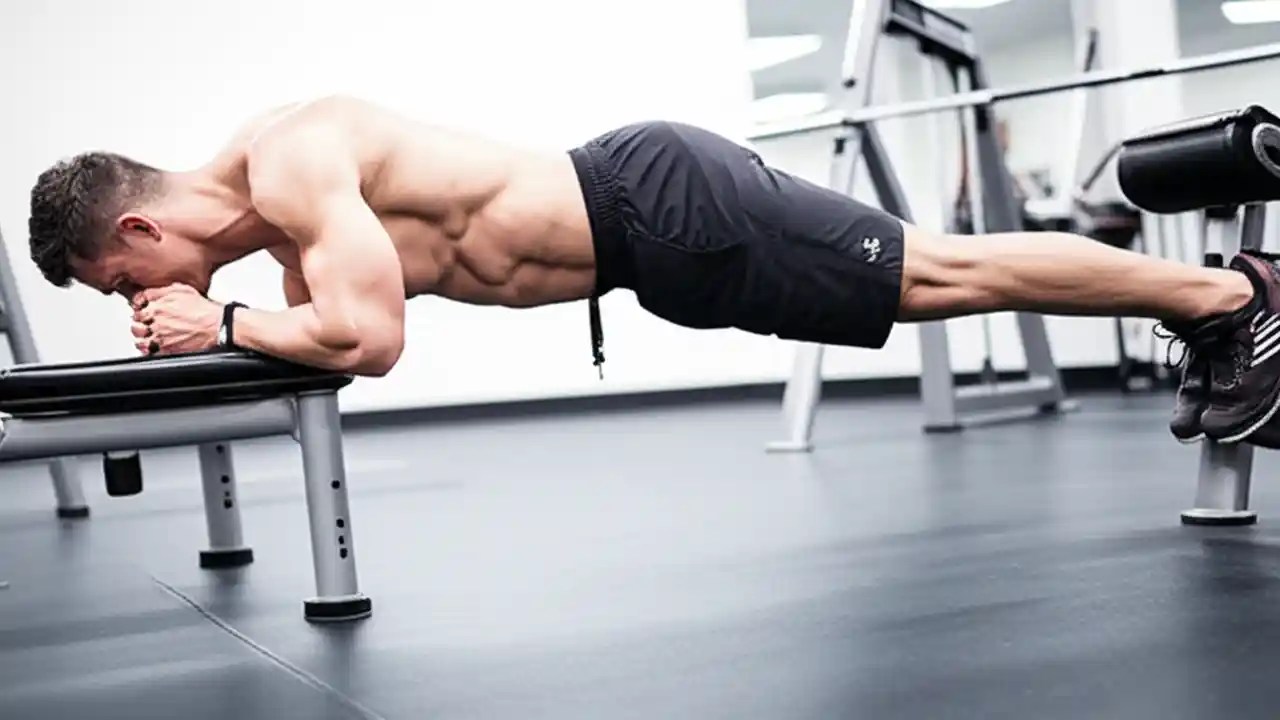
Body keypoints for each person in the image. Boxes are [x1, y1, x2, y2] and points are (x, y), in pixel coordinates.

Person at [25, 95, 1280, 445]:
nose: (138, 302)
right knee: (941, 280)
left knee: (942, 275)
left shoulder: (291, 165)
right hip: (649, 246)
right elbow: (322, 341)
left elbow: (366, 341)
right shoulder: (276, 233)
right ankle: (1222, 304)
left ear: (138, 233)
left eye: (120, 283)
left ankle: (1232, 296)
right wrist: (236, 323)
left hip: (653, 201)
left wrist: (224, 320)